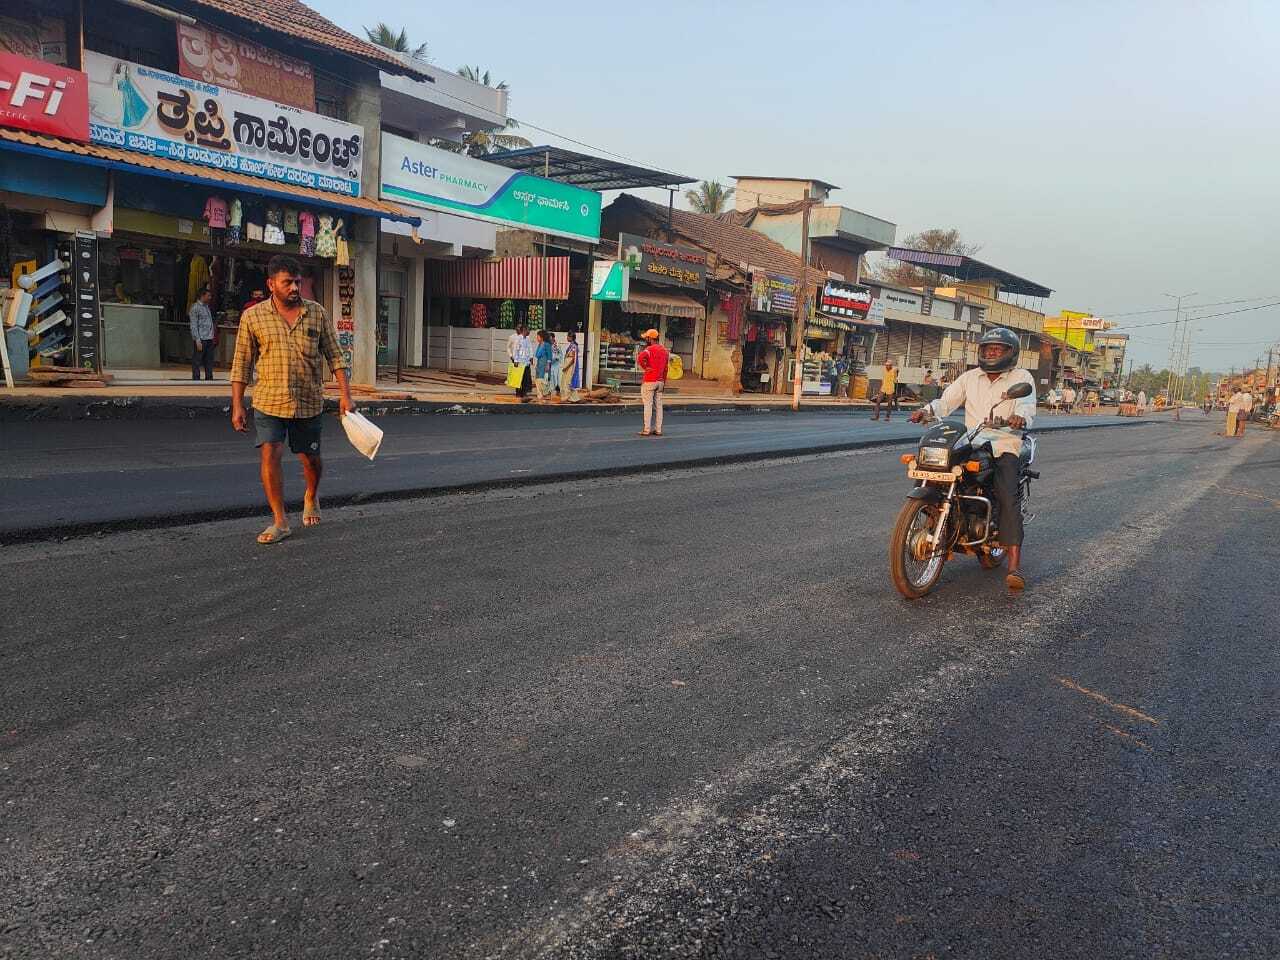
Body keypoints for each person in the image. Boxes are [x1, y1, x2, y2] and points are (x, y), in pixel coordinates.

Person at [229, 255, 355, 545]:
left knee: (311, 459)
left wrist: (346, 396)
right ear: (271, 284)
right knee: (270, 452)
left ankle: (311, 494)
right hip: (268, 401)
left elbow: (336, 356)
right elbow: (242, 363)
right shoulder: (253, 317)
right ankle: (280, 520)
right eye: (288, 283)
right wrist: (237, 404)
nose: (294, 288)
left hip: (308, 401)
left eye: (297, 282)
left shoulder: (317, 313)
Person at [910, 327, 1035, 591]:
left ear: (1010, 353)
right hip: (972, 440)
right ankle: (938, 524)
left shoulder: (1021, 377)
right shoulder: (970, 377)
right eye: (988, 348)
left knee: (1006, 495)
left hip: (1004, 443)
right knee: (933, 472)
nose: (992, 353)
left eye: (997, 349)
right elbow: (945, 402)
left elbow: (1026, 406)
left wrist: (1019, 417)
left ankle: (1014, 566)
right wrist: (925, 410)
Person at [636, 327, 669, 437]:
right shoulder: (665, 351)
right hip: (660, 381)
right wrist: (663, 381)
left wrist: (646, 367)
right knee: (659, 406)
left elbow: (640, 358)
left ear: (650, 339)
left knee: (648, 405)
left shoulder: (649, 350)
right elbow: (666, 369)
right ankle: (658, 430)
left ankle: (646, 429)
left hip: (650, 380)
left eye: (647, 338)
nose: (646, 340)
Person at [189, 286, 216, 382]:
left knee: (209, 360)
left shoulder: (207, 307)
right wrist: (197, 340)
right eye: (208, 296)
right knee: (197, 360)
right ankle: (196, 378)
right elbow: (194, 325)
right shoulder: (195, 308)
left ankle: (209, 377)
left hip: (209, 338)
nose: (210, 298)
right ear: (202, 296)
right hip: (201, 338)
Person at [532, 329, 555, 402]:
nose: (537, 338)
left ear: (541, 337)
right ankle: (540, 395)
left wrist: (548, 365)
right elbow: (537, 355)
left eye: (538, 336)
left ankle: (546, 394)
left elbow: (550, 356)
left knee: (543, 380)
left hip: (544, 364)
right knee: (537, 379)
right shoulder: (540, 344)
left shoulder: (547, 345)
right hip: (539, 363)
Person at [560, 331, 581, 402]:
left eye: (568, 336)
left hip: (570, 368)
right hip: (568, 367)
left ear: (571, 337)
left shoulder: (574, 346)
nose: (567, 338)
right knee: (566, 382)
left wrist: (566, 367)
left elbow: (573, 360)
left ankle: (567, 397)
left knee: (567, 382)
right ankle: (573, 398)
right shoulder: (572, 345)